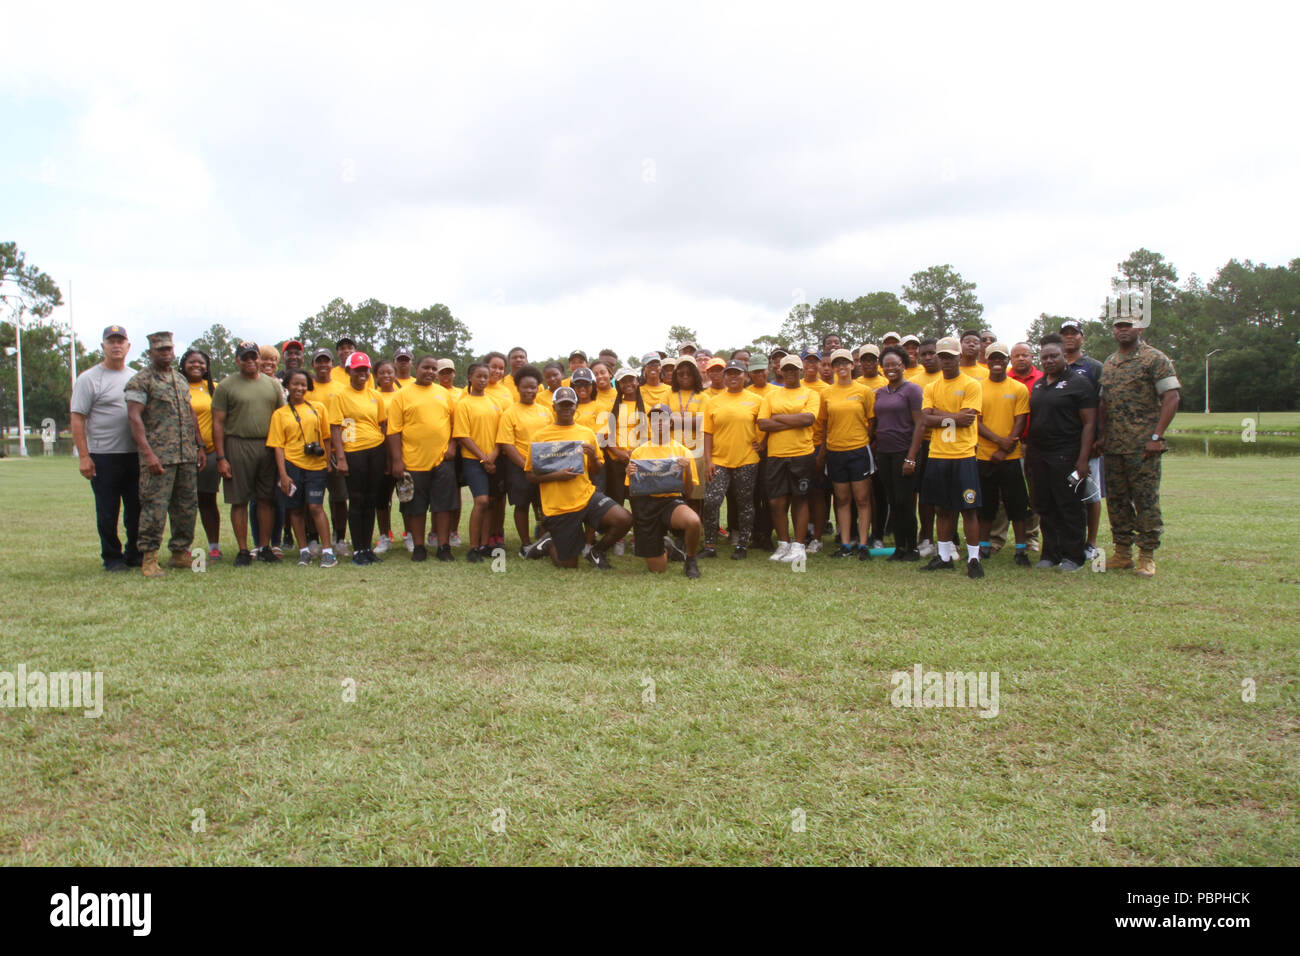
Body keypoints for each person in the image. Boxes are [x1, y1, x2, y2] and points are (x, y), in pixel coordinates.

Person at [1097, 317, 1181, 577]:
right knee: (1117, 501)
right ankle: (1123, 553)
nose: (1123, 330)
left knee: (1145, 500)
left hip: (1143, 446)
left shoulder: (1154, 359)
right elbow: (1104, 404)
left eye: (1128, 326)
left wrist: (1157, 437)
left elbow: (1171, 397)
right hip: (1113, 446)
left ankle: (1147, 555)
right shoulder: (1110, 362)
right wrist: (1101, 437)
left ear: (1140, 328)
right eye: (1118, 326)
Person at [523, 387, 632, 569]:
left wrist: (592, 457)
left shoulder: (586, 433)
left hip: (586, 495)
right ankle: (549, 542)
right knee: (568, 565)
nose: (566, 408)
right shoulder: (540, 436)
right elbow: (530, 476)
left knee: (624, 519)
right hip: (559, 505)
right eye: (562, 405)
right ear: (554, 407)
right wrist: (557, 475)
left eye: (570, 405)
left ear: (576, 407)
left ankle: (596, 551)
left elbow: (597, 470)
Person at [124, 332, 204, 577]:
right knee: (154, 508)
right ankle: (149, 557)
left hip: (186, 454)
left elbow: (190, 414)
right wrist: (148, 454)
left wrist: (199, 445)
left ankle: (180, 552)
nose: (166, 353)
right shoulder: (141, 381)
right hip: (159, 456)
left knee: (187, 507)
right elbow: (134, 417)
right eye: (160, 350)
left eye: (169, 349)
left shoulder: (180, 380)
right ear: (151, 352)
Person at [71, 325, 140, 571]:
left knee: (136, 510)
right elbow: (78, 418)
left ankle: (135, 553)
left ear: (128, 346)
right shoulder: (89, 379)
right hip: (104, 456)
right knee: (108, 511)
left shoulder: (135, 377)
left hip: (134, 455)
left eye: (121, 341)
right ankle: (112, 556)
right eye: (111, 341)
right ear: (103, 346)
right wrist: (84, 456)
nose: (116, 345)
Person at [1026, 335, 1097, 572]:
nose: (1048, 360)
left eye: (1053, 356)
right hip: (1039, 455)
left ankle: (1073, 556)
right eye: (1044, 357)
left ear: (1064, 357)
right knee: (1045, 504)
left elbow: (1089, 424)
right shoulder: (1039, 384)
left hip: (1066, 455)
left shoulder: (1079, 384)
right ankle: (1050, 553)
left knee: (1068, 504)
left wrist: (1083, 459)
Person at [212, 341, 286, 566]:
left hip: (267, 445)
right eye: (246, 357)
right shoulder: (226, 386)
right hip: (238, 444)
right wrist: (221, 457)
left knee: (266, 499)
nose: (251, 361)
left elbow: (281, 417)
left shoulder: (272, 385)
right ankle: (244, 550)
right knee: (240, 500)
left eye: (255, 357)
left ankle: (264, 547)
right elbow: (217, 423)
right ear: (237, 360)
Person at [919, 337, 985, 578]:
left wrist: (939, 414)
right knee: (942, 508)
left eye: (950, 356)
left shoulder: (971, 385)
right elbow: (925, 419)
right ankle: (944, 556)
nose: (945, 361)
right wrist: (951, 417)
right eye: (942, 356)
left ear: (959, 357)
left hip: (963, 455)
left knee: (969, 508)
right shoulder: (931, 387)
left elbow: (968, 418)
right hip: (938, 455)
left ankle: (974, 559)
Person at [386, 355, 458, 562]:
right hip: (413, 462)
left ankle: (443, 546)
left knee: (443, 506)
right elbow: (393, 431)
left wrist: (452, 447)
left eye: (434, 369)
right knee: (416, 508)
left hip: (441, 460)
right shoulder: (402, 395)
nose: (430, 372)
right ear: (417, 368)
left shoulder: (444, 394)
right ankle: (419, 546)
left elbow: (456, 426)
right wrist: (397, 460)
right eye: (426, 367)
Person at [266, 369, 336, 567]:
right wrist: (283, 474)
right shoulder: (279, 414)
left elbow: (326, 436)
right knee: (295, 510)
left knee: (315, 507)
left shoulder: (318, 408)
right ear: (287, 386)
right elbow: (278, 446)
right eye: (295, 384)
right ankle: (304, 551)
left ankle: (328, 551)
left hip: (316, 467)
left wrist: (326, 461)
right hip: (292, 466)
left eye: (303, 384)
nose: (299, 388)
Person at [757, 354, 821, 563]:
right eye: (787, 369)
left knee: (799, 499)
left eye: (795, 369)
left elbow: (809, 419)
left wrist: (778, 418)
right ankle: (783, 544)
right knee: (776, 501)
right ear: (780, 372)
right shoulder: (771, 396)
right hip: (776, 455)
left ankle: (798, 545)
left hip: (802, 454)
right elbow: (763, 424)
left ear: (800, 371)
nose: (791, 373)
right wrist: (794, 420)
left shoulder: (810, 394)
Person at [627, 405, 703, 578]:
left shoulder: (682, 451)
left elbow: (689, 493)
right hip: (647, 505)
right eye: (654, 419)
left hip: (671, 502)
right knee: (657, 569)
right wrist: (630, 475)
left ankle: (690, 560)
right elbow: (633, 493)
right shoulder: (638, 452)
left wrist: (688, 470)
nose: (658, 422)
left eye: (663, 418)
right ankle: (668, 546)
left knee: (693, 522)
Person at [328, 351, 388, 565]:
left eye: (365, 369)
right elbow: (335, 428)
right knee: (357, 499)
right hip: (353, 451)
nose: (362, 373)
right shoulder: (340, 396)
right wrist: (341, 457)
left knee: (371, 499)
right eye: (357, 370)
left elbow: (382, 424)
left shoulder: (375, 395)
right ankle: (357, 550)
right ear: (349, 371)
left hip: (376, 449)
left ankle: (367, 548)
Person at [975, 343, 1032, 567]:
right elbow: (976, 422)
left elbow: (1021, 420)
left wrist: (1005, 447)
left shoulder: (1018, 388)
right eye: (992, 358)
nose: (997, 362)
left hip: (1011, 456)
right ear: (986, 361)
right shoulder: (978, 388)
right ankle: (984, 545)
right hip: (985, 456)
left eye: (1001, 358)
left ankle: (1021, 549)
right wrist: (999, 443)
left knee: (1017, 505)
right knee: (986, 506)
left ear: (1007, 361)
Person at [817, 349, 876, 559]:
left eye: (845, 363)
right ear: (832, 368)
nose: (841, 367)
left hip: (859, 450)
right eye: (837, 364)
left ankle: (862, 544)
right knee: (842, 499)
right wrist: (824, 452)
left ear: (853, 365)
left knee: (862, 499)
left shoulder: (864, 391)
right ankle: (845, 544)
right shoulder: (826, 393)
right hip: (835, 452)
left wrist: (861, 441)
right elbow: (824, 424)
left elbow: (871, 421)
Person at [701, 359, 761, 559]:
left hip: (746, 460)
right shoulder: (713, 402)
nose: (733, 377)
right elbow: (708, 433)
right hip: (719, 461)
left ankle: (742, 545)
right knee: (711, 501)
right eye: (729, 373)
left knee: (745, 503)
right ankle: (710, 545)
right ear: (724, 376)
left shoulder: (756, 400)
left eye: (738, 373)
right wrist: (708, 461)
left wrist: (763, 444)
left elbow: (764, 425)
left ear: (745, 376)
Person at [872, 345, 924, 561]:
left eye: (895, 364)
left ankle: (911, 548)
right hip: (884, 453)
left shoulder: (912, 390)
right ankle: (899, 547)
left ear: (903, 365)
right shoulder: (880, 393)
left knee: (905, 501)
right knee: (893, 501)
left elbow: (920, 424)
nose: (891, 368)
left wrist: (911, 457)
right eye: (886, 365)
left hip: (905, 452)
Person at [495, 364, 553, 557]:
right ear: (518, 387)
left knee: (543, 506)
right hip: (518, 466)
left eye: (533, 387)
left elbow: (553, 437)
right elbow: (507, 444)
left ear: (539, 387)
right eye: (525, 387)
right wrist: (526, 465)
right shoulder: (510, 413)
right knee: (521, 505)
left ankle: (544, 542)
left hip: (543, 466)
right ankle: (526, 543)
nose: (529, 390)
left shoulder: (546, 411)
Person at [1060, 319, 1106, 560]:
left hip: (1087, 443)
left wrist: (1099, 438)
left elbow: (1102, 404)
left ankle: (1090, 543)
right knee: (1064, 493)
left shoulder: (1093, 367)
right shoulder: (1054, 365)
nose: (1069, 337)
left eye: (1074, 333)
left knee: (1090, 494)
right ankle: (1064, 541)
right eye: (1065, 333)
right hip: (1061, 443)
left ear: (1082, 338)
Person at [453, 362, 504, 562]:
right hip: (473, 460)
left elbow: (502, 434)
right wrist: (484, 458)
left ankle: (485, 544)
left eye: (486, 376)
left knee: (491, 502)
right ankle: (473, 547)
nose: (483, 380)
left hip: (494, 459)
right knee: (481, 501)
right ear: (470, 378)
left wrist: (493, 455)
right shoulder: (463, 403)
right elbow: (462, 436)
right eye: (479, 376)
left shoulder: (494, 403)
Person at [598, 368, 646, 555]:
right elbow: (605, 437)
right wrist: (618, 452)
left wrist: (635, 452)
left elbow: (648, 435)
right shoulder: (613, 406)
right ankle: (618, 538)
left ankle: (637, 537)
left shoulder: (645, 406)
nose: (628, 384)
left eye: (631, 380)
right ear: (618, 385)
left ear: (637, 382)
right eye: (623, 381)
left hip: (638, 462)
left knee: (638, 501)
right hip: (616, 461)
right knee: (617, 500)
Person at [182, 348, 222, 560]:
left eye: (201, 363)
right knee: (185, 502)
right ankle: (184, 546)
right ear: (183, 364)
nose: (197, 366)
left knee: (208, 499)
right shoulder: (178, 387)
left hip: (211, 452)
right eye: (192, 362)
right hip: (183, 453)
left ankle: (214, 546)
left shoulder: (214, 388)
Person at [310, 348, 350, 554]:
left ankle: (340, 537)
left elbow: (347, 419)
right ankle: (313, 539)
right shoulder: (307, 387)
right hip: (311, 452)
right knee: (312, 498)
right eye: (319, 362)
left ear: (332, 364)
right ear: (313, 365)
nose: (323, 365)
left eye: (327, 362)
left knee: (339, 496)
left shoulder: (342, 388)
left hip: (335, 450)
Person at [910, 339, 944, 556]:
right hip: (921, 442)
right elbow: (919, 417)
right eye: (924, 354)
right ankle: (926, 536)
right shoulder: (914, 382)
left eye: (932, 353)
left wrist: (933, 416)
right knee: (923, 493)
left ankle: (947, 539)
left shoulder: (950, 378)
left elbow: (961, 416)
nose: (928, 357)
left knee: (943, 494)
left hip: (947, 443)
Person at [372, 360, 401, 553]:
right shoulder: (373, 396)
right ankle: (385, 535)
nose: (386, 376)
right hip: (379, 450)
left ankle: (409, 535)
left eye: (389, 372)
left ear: (395, 374)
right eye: (381, 373)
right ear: (376, 376)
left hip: (402, 450)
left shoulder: (403, 395)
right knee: (382, 497)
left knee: (407, 494)